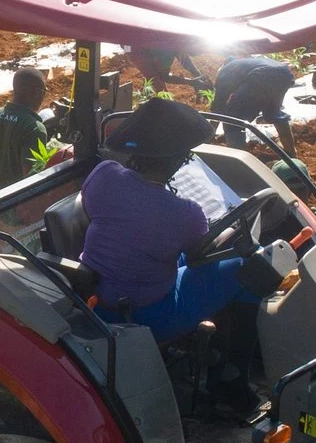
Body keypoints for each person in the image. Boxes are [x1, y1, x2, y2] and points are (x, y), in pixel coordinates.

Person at [78, 98, 270, 342]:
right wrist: (231, 231)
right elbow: (199, 256)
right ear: (180, 159)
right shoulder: (186, 214)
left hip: (98, 301)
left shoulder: (103, 175)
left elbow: (99, 213)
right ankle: (235, 367)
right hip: (150, 315)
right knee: (250, 264)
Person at [0, 68, 51, 196]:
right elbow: (31, 177)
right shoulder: (34, 128)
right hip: (16, 207)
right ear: (35, 92)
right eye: (43, 91)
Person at [210, 55, 298, 154]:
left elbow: (218, 108)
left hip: (261, 75)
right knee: (273, 113)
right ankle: (291, 152)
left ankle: (238, 159)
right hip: (284, 74)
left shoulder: (225, 73)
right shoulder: (245, 63)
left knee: (232, 119)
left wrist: (208, 136)